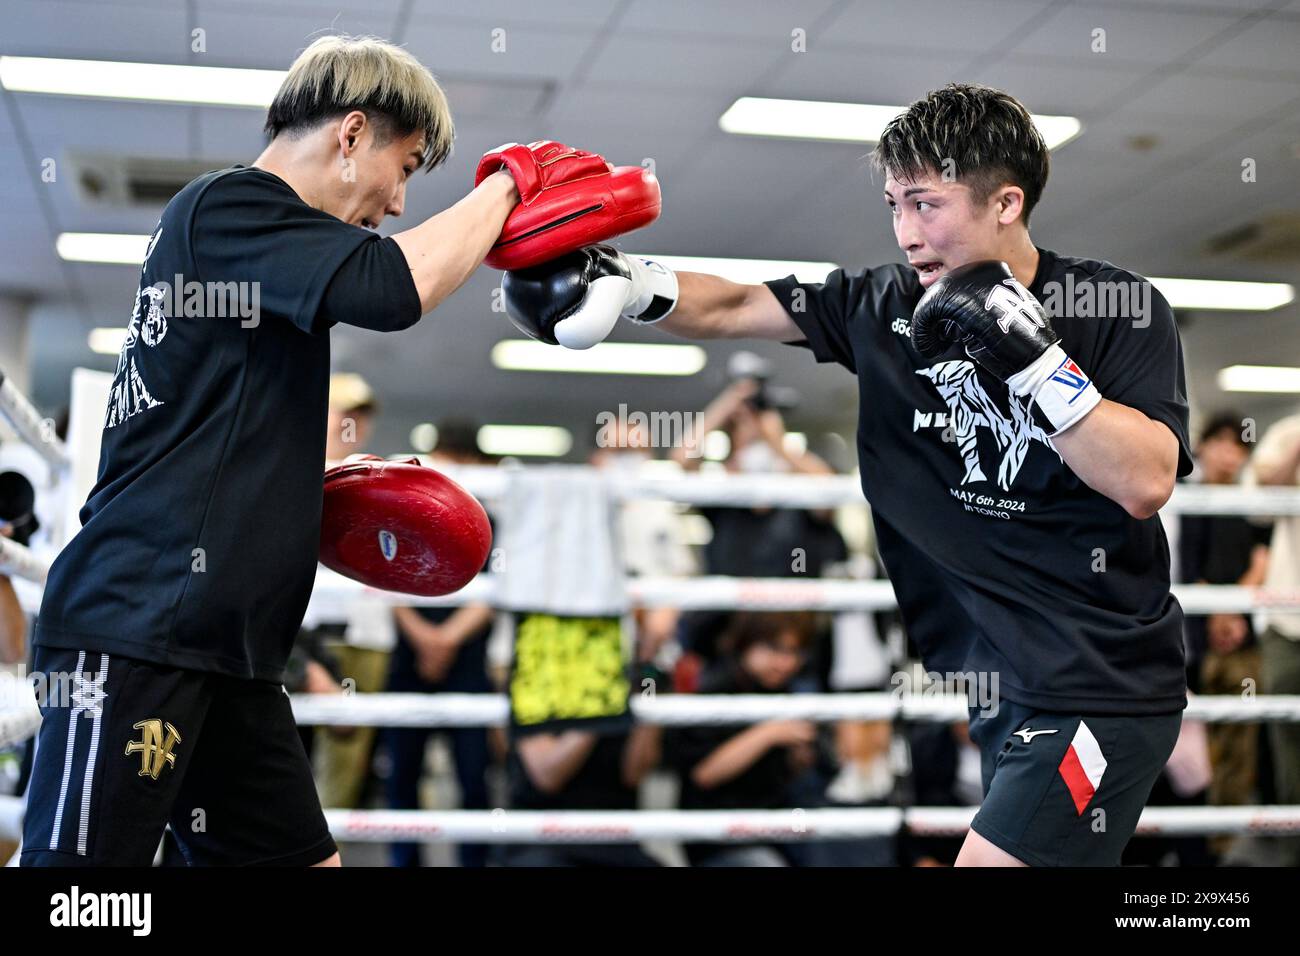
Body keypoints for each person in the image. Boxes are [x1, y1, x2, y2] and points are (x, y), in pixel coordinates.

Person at [507, 83, 1194, 866]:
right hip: (997, 688)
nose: (906, 232)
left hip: (1099, 686)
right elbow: (734, 304)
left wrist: (1036, 362)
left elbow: (1144, 481)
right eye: (895, 204)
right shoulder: (882, 306)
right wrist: (626, 281)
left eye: (926, 204)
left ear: (1006, 203)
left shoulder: (1113, 308)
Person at [21, 34, 526, 866]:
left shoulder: (272, 266)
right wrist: (514, 184)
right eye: (403, 168)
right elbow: (397, 287)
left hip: (229, 654)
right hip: (136, 631)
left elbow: (227, 442)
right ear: (352, 134)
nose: (398, 202)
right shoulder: (227, 208)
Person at [384, 421, 496, 868]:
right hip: (412, 659)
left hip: (464, 661)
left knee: (473, 777)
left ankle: (474, 861)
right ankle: (404, 860)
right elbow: (380, 576)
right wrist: (428, 639)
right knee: (403, 776)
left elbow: (495, 590)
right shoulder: (404, 513)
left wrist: (443, 640)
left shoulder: (489, 519)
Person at [1251, 409, 1300, 866]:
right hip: (1289, 622)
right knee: (1289, 744)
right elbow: (1261, 505)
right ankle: (1292, 854)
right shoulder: (1288, 431)